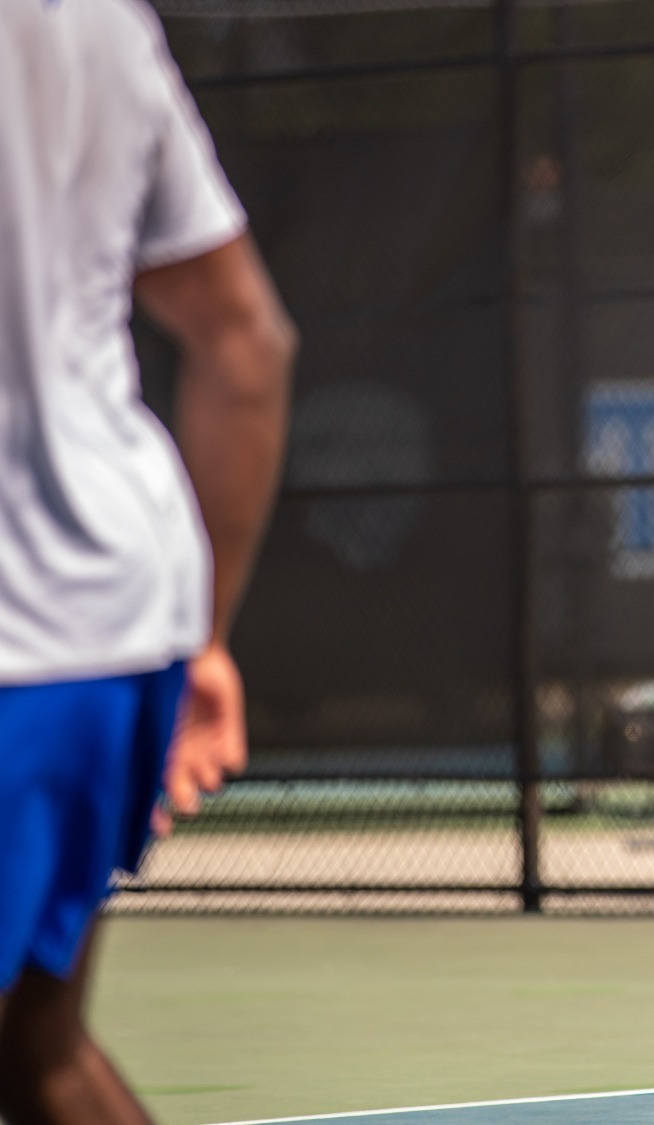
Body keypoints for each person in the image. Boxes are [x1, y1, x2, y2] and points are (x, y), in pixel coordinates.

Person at [0, 2, 294, 1121]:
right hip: (112, 622)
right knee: (35, 1049)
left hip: (22, 642)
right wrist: (204, 637)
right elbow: (244, 344)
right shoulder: (97, 20)